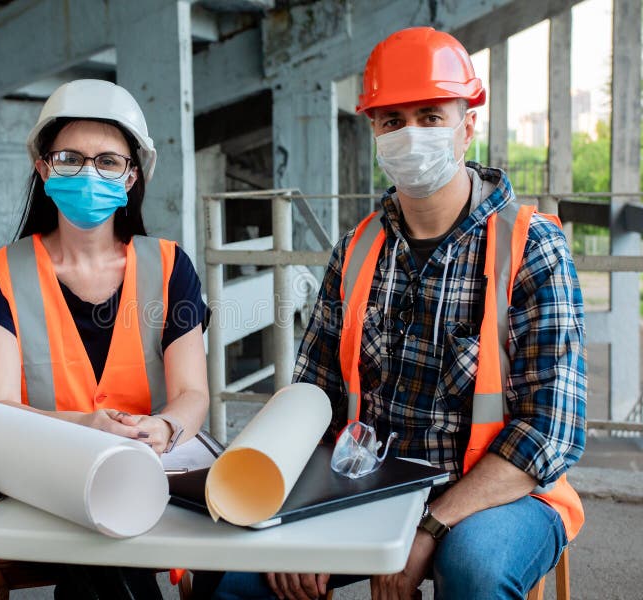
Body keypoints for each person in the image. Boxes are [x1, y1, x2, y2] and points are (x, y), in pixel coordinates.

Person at [201, 27, 586, 600]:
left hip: (498, 491)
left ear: (468, 123)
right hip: (368, 485)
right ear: (374, 130)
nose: (411, 135)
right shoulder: (357, 250)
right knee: (235, 576)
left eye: (431, 116)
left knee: (475, 569)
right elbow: (316, 395)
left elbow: (550, 432)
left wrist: (429, 525)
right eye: (392, 120)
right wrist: (299, 518)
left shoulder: (531, 250)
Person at [0, 79, 211, 598]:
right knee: (100, 533)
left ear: (132, 176)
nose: (89, 172)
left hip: (150, 467)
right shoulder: (2, 274)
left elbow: (192, 394)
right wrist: (85, 426)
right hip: (41, 478)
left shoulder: (168, 267)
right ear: (43, 169)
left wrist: (164, 427)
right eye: (70, 158)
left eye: (108, 161)